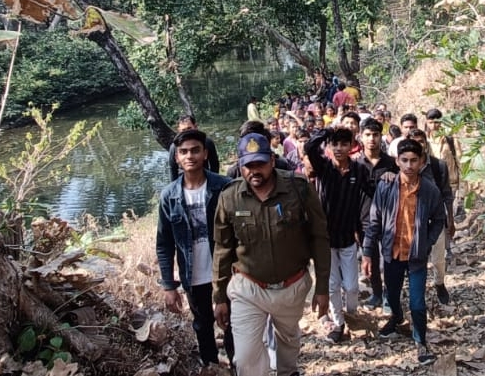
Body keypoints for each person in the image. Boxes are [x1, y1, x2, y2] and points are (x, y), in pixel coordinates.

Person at [213, 133, 331, 376]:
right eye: (248, 165)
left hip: (292, 285)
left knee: (288, 342)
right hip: (248, 287)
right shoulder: (229, 197)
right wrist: (219, 297)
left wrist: (322, 288)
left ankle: (288, 372)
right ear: (240, 165)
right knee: (245, 358)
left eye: (260, 164)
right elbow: (223, 249)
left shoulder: (298, 189)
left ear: (272, 160)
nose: (254, 171)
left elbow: (319, 238)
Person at [361, 138, 445, 366]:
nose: (409, 165)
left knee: (417, 303)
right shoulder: (386, 186)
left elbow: (439, 218)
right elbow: (375, 220)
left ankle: (421, 341)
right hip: (392, 253)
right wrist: (368, 252)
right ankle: (397, 318)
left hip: (416, 255)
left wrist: (426, 242)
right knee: (392, 294)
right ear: (397, 161)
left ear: (422, 162)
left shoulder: (429, 190)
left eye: (414, 160)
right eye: (404, 160)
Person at [156, 129, 234, 370]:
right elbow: (164, 243)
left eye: (195, 150)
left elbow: (240, 234)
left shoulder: (224, 187)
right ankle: (211, 367)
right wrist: (169, 285)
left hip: (226, 271)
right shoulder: (169, 196)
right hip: (193, 275)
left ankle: (237, 367)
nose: (190, 156)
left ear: (205, 153)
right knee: (202, 325)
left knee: (232, 324)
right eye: (184, 152)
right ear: (177, 158)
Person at [305, 127, 371, 344]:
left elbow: (373, 192)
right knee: (332, 285)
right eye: (335, 144)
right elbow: (309, 147)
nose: (339, 149)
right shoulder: (323, 167)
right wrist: (326, 132)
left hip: (348, 238)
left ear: (352, 146)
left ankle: (352, 314)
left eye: (344, 144)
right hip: (325, 240)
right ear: (330, 147)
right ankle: (338, 323)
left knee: (351, 287)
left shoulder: (359, 170)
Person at [407, 128, 455, 305]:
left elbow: (447, 193)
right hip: (412, 218)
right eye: (414, 142)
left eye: (421, 142)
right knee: (414, 257)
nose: (418, 145)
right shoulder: (406, 166)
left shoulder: (438, 166)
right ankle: (416, 293)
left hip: (436, 219)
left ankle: (439, 283)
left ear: (426, 143)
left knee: (438, 259)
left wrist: (450, 218)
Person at [355, 117, 398, 311]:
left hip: (390, 220)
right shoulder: (355, 165)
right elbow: (350, 197)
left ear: (381, 137)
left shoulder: (391, 163)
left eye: (375, 135)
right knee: (370, 259)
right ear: (360, 137)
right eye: (368, 135)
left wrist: (395, 178)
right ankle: (377, 294)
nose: (372, 139)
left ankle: (390, 295)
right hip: (364, 221)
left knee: (390, 259)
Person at [425, 108, 465, 221]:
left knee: (450, 216)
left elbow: (461, 162)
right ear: (426, 123)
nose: (433, 126)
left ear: (441, 122)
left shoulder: (450, 139)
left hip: (451, 183)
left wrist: (461, 190)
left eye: (436, 122)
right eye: (430, 122)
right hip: (433, 184)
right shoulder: (425, 141)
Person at [168, 115, 220, 179]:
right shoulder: (174, 147)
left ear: (195, 127)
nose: (187, 132)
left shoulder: (207, 142)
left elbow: (214, 163)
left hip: (204, 176)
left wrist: (215, 180)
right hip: (183, 178)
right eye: (183, 130)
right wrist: (174, 186)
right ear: (179, 130)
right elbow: (173, 168)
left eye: (189, 128)